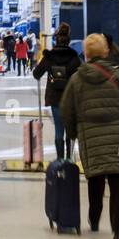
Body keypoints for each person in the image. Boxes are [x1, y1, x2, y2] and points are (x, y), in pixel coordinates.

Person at [60, 33, 119, 239]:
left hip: (90, 137)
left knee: (95, 180)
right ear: (106, 51)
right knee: (118, 183)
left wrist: (73, 133)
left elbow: (66, 111)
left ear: (86, 53)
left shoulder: (76, 79)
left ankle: (94, 220)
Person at [32, 21, 81, 160]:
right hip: (71, 99)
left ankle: (60, 161)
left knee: (59, 131)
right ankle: (69, 160)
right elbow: (83, 74)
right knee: (70, 131)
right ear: (69, 40)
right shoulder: (74, 58)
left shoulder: (49, 57)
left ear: (56, 38)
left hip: (55, 99)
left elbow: (36, 74)